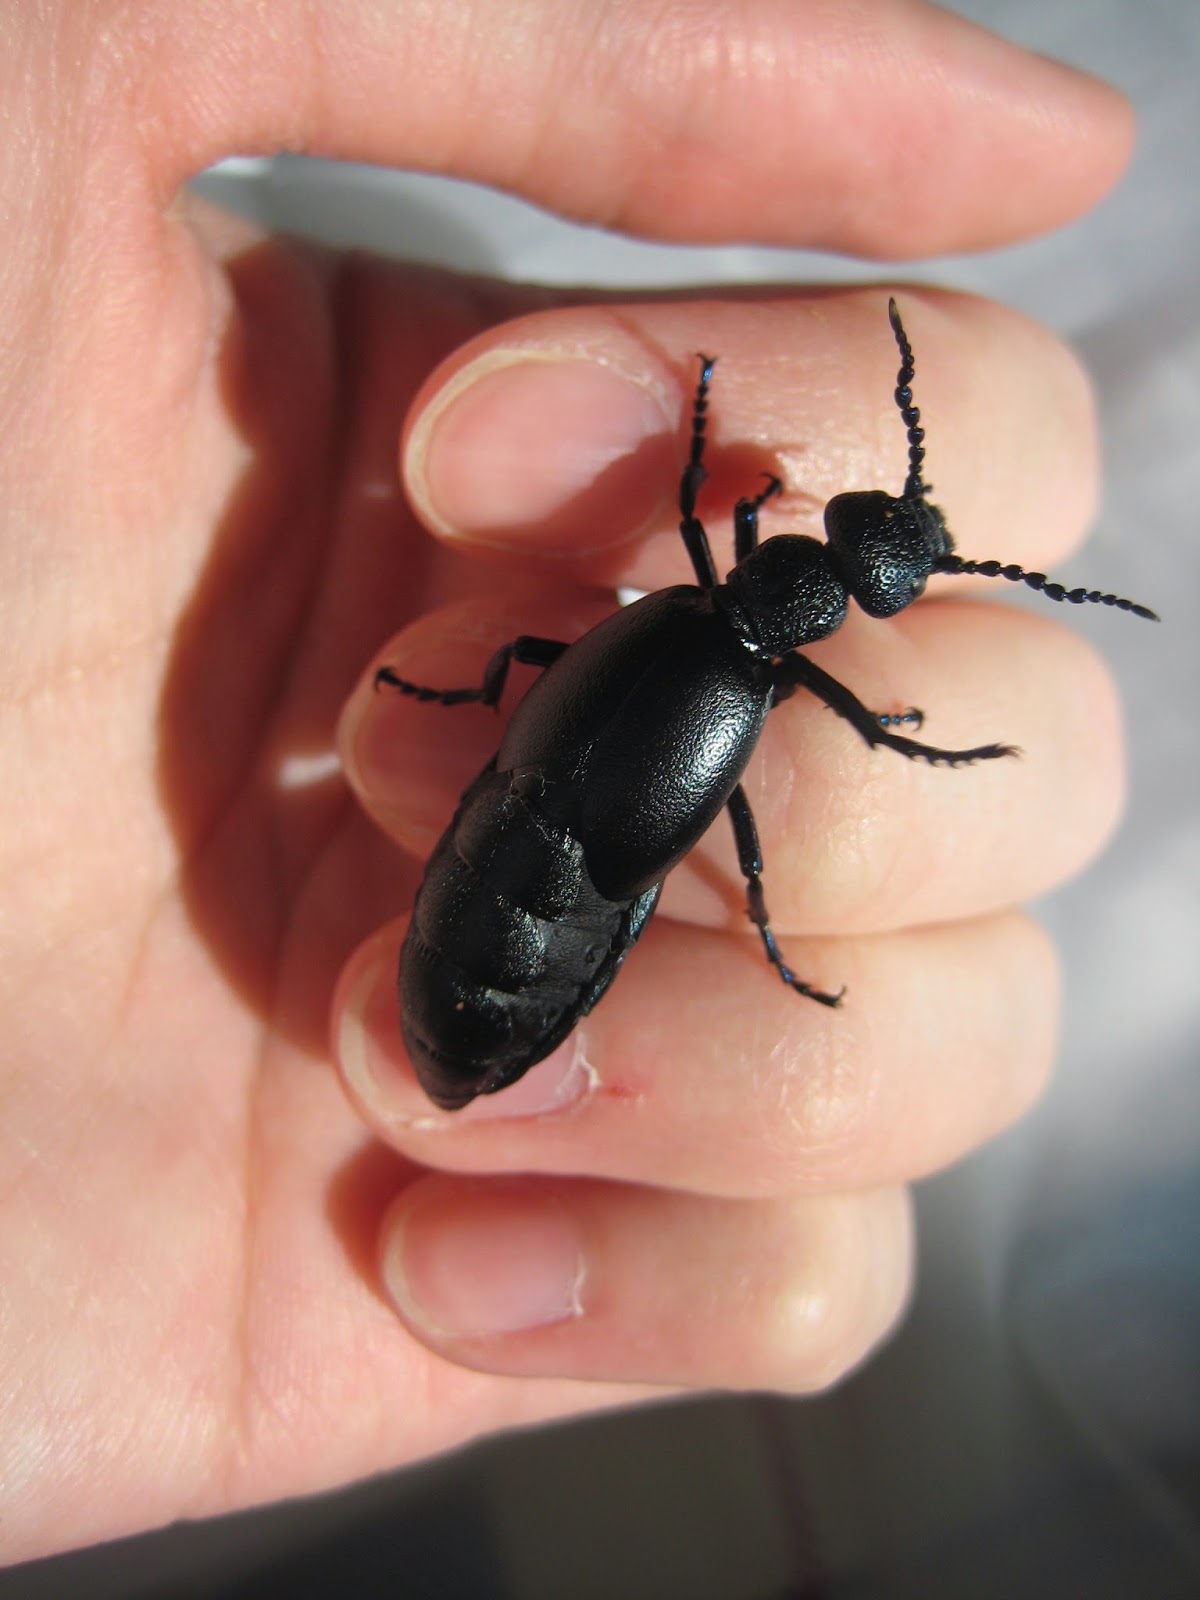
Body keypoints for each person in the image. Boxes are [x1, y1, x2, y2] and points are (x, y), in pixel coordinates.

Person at [0, 0, 1135, 1567]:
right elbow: (642, 684)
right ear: (844, 589)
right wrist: (836, 853)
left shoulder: (702, 607)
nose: (895, 550)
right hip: (525, 893)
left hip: (513, 863)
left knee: (653, 799)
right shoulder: (734, 642)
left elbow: (581, 650)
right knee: (676, 830)